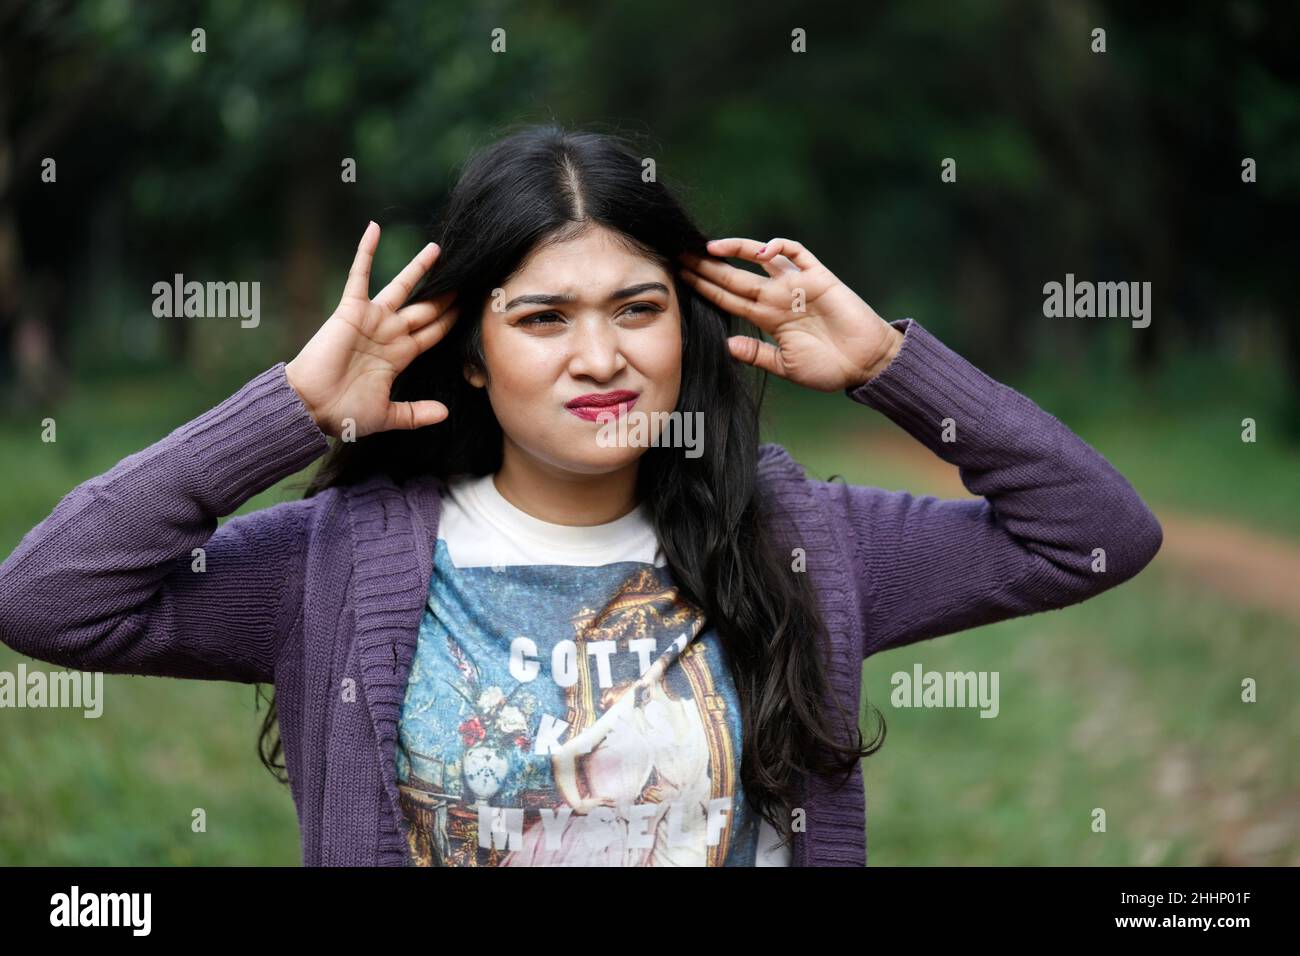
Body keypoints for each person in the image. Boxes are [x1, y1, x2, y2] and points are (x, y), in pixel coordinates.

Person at [0, 124, 1163, 867]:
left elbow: (1095, 536)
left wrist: (885, 367)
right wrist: (290, 412)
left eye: (637, 308)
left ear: (685, 327)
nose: (598, 356)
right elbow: (49, 597)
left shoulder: (801, 537)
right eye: (543, 317)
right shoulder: (340, 562)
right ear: (468, 351)